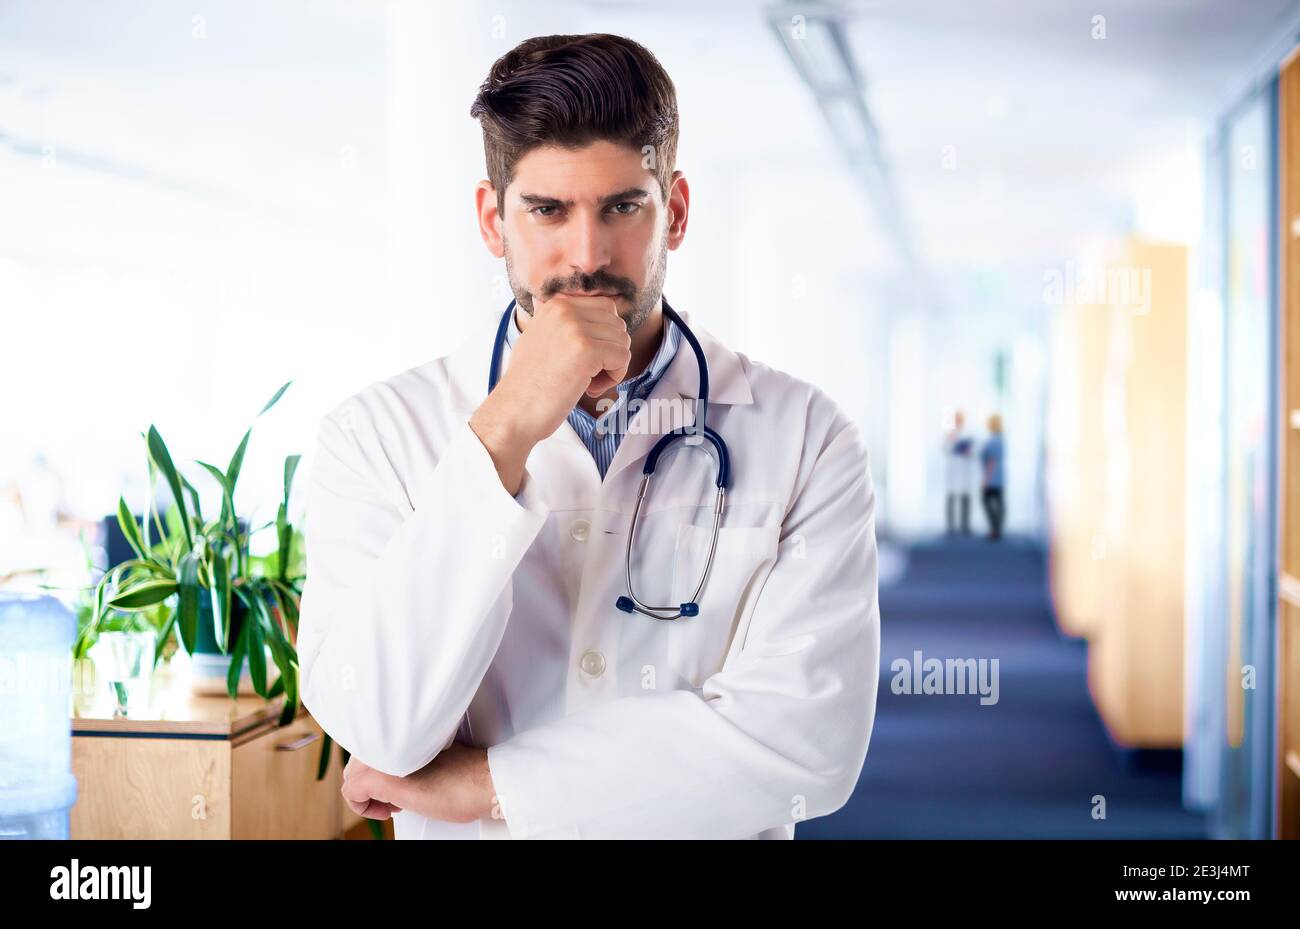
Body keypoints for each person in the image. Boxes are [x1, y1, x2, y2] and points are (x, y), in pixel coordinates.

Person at [295, 33, 881, 840]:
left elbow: (810, 746)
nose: (589, 255)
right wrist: (503, 431)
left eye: (622, 206)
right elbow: (383, 725)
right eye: (547, 210)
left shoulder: (809, 436)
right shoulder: (374, 435)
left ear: (673, 211)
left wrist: (487, 784)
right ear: (491, 221)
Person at [944, 410, 975, 535]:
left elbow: (973, 452)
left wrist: (968, 451)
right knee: (951, 498)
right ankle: (951, 527)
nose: (958, 422)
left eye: (960, 419)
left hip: (964, 472)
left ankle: (965, 526)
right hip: (954, 471)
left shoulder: (967, 435)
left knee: (965, 498)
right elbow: (946, 449)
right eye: (957, 419)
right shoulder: (950, 435)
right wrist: (952, 443)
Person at [980, 414, 1005, 541]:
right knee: (999, 503)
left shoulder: (992, 441)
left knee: (986, 501)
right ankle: (997, 529)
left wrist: (985, 478)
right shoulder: (1001, 439)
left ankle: (995, 529)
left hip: (992, 478)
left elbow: (991, 461)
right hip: (1000, 477)